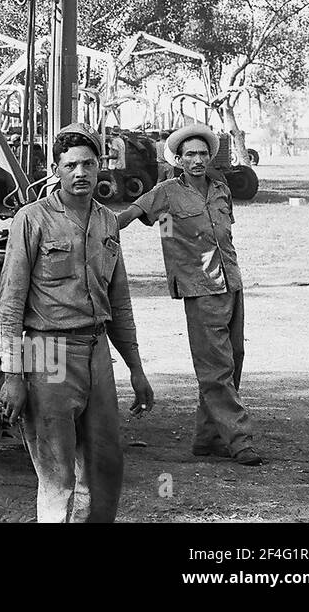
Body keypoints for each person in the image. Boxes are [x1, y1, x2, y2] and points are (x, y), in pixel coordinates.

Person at [0, 123, 155, 523]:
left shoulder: (107, 222)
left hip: (96, 352)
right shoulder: (31, 220)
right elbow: (11, 304)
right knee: (58, 473)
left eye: (88, 164)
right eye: (71, 166)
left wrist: (136, 369)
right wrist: (13, 375)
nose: (81, 173)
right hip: (47, 352)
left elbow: (119, 303)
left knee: (105, 465)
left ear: (100, 167)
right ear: (56, 170)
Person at [117, 122, 261, 466]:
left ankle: (207, 437)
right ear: (178, 159)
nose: (197, 160)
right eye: (190, 154)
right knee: (216, 368)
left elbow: (225, 235)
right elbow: (129, 215)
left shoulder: (221, 189)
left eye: (202, 154)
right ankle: (239, 439)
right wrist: (91, 225)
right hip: (200, 288)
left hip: (232, 283)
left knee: (233, 359)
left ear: (210, 157)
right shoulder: (165, 192)